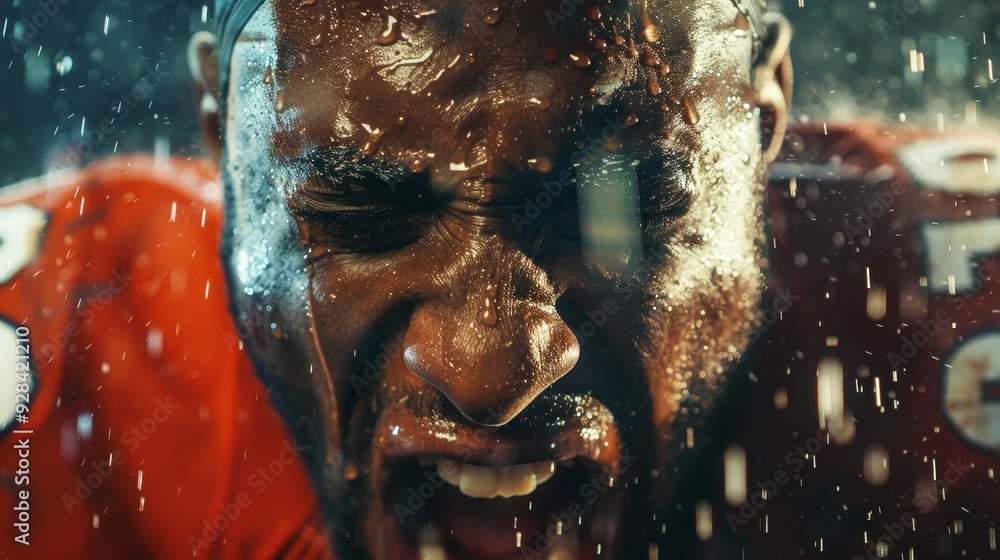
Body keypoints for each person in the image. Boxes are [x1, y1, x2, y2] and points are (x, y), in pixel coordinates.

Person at [2, 0, 999, 559]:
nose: (494, 369)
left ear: (758, 123)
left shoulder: (953, 339)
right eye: (366, 217)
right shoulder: (52, 361)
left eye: (618, 207)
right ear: (228, 144)